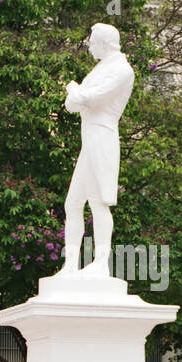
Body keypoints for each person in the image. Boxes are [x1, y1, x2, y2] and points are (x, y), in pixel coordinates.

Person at [60, 21, 134, 278]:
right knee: (73, 204)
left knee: (99, 202)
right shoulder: (101, 68)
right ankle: (70, 265)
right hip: (89, 138)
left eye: (92, 42)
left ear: (105, 43)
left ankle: (101, 262)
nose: (89, 46)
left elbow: (86, 99)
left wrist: (73, 87)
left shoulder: (122, 70)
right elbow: (72, 105)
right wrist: (77, 95)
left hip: (102, 137)